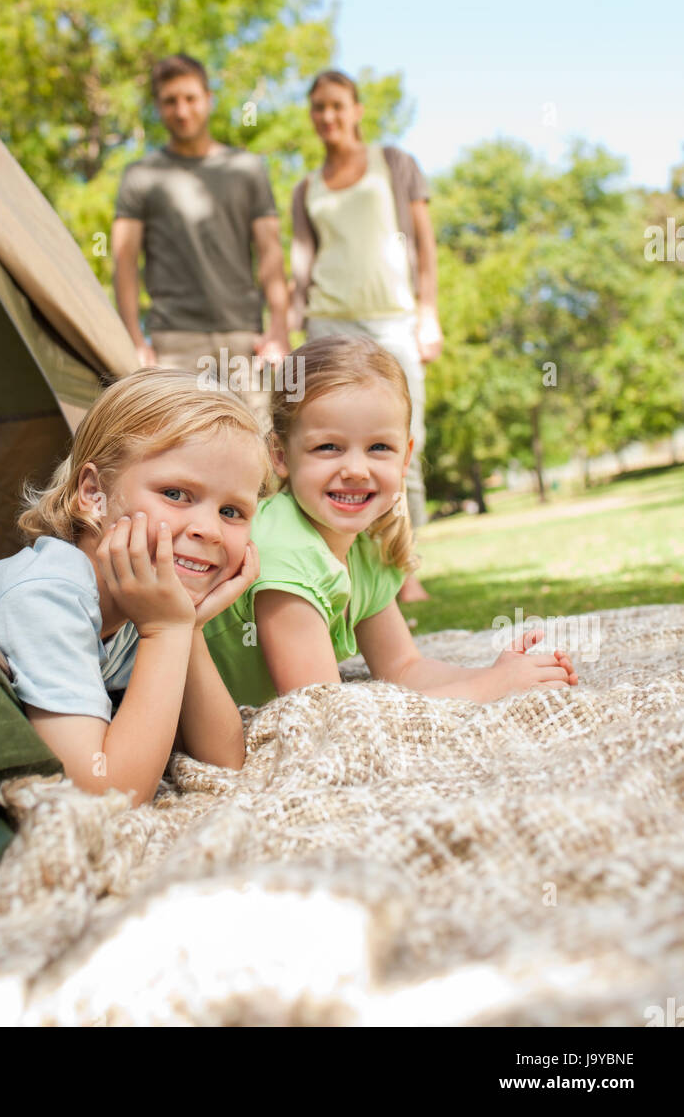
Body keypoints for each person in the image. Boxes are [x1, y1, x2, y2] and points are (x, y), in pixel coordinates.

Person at [204, 337, 578, 708]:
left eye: (378, 447)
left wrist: (491, 674)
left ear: (405, 457)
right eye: (328, 447)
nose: (355, 470)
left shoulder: (366, 545)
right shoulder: (283, 549)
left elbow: (402, 667)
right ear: (280, 455)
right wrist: (489, 689)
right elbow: (324, 710)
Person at [0, 371, 270, 803]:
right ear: (93, 493)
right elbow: (103, 797)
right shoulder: (46, 596)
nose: (209, 530)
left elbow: (222, 765)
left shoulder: (141, 602)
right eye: (177, 493)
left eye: (233, 511)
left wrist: (187, 629)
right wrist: (167, 631)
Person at [289, 69, 442, 601]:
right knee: (327, 451)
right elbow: (302, 264)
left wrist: (429, 314)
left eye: (337, 106)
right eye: (318, 109)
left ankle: (405, 569)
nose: (328, 117)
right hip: (327, 322)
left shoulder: (395, 164)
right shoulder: (305, 188)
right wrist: (285, 330)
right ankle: (343, 575)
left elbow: (424, 244)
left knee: (399, 447)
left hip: (393, 320)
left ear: (356, 109)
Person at [112, 54, 290, 423]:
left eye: (190, 98)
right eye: (170, 101)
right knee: (181, 450)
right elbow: (124, 262)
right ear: (158, 108)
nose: (181, 110)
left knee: (258, 449)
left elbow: (271, 252)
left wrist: (278, 329)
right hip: (173, 340)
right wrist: (135, 340)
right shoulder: (141, 176)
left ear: (209, 98)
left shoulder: (247, 169)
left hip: (244, 340)